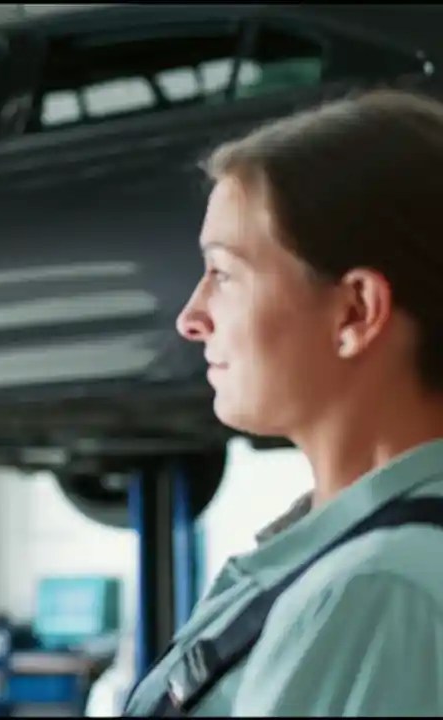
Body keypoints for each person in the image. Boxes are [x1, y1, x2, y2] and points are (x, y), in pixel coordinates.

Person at [124, 88, 443, 716]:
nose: (192, 317)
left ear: (355, 312)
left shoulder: (376, 592)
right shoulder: (357, 565)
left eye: (224, 273)